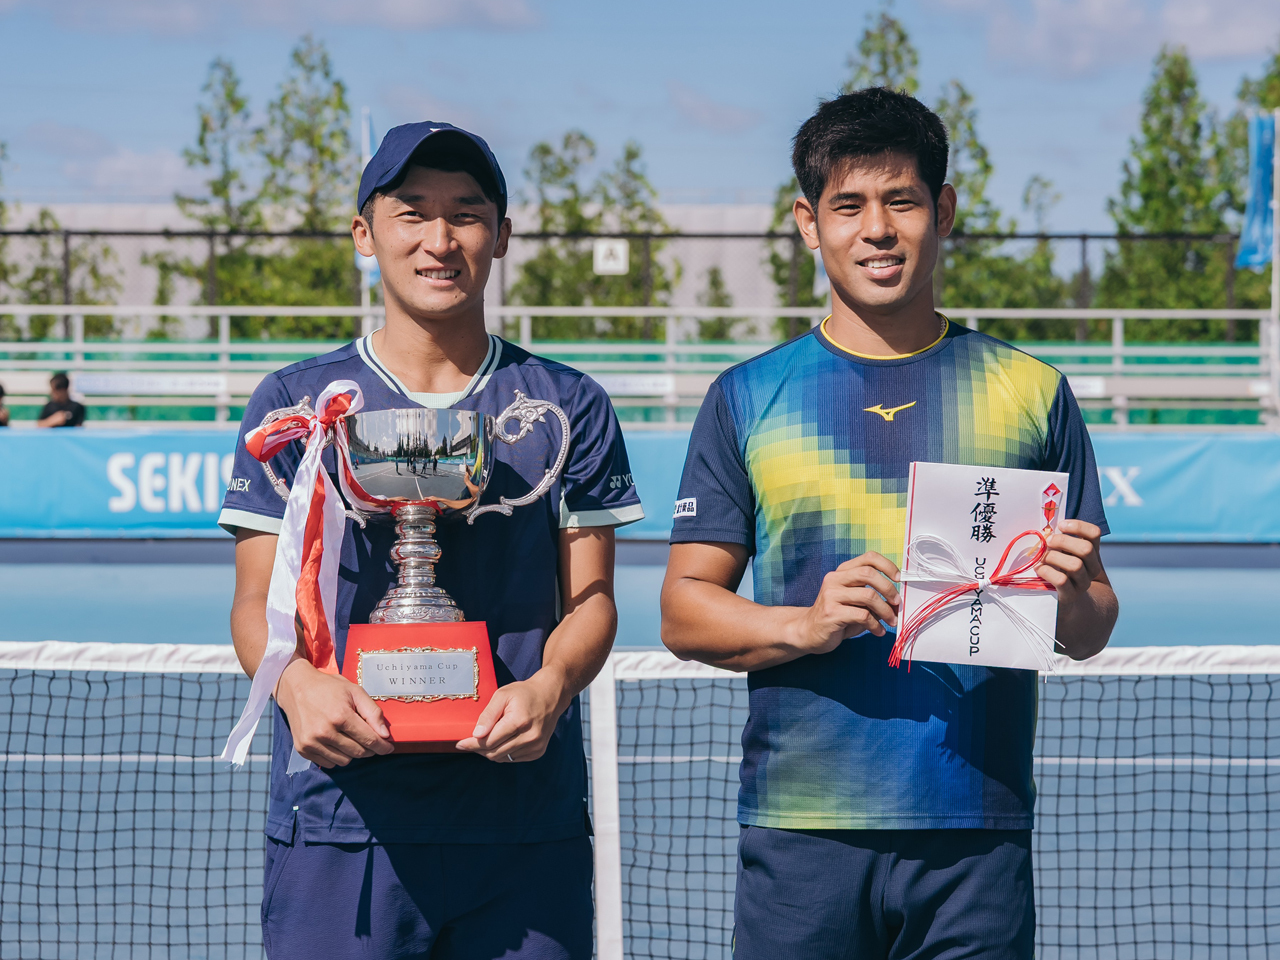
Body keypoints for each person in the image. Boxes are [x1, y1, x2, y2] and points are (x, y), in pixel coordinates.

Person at [660, 88, 1119, 960]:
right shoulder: (747, 397)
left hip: (976, 835)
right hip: (801, 833)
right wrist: (805, 624)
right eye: (849, 206)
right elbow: (684, 612)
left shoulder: (1031, 392)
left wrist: (1063, 595)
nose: (877, 229)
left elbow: (1092, 626)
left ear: (942, 211)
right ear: (808, 223)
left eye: (901, 201)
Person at [219, 122, 643, 960]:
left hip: (522, 822)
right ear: (364, 233)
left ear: (502, 235)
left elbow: (592, 600)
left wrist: (552, 685)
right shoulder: (297, 403)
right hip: (342, 818)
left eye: (466, 214)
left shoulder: (567, 406)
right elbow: (253, 603)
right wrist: (296, 686)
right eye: (412, 213)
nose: (439, 240)